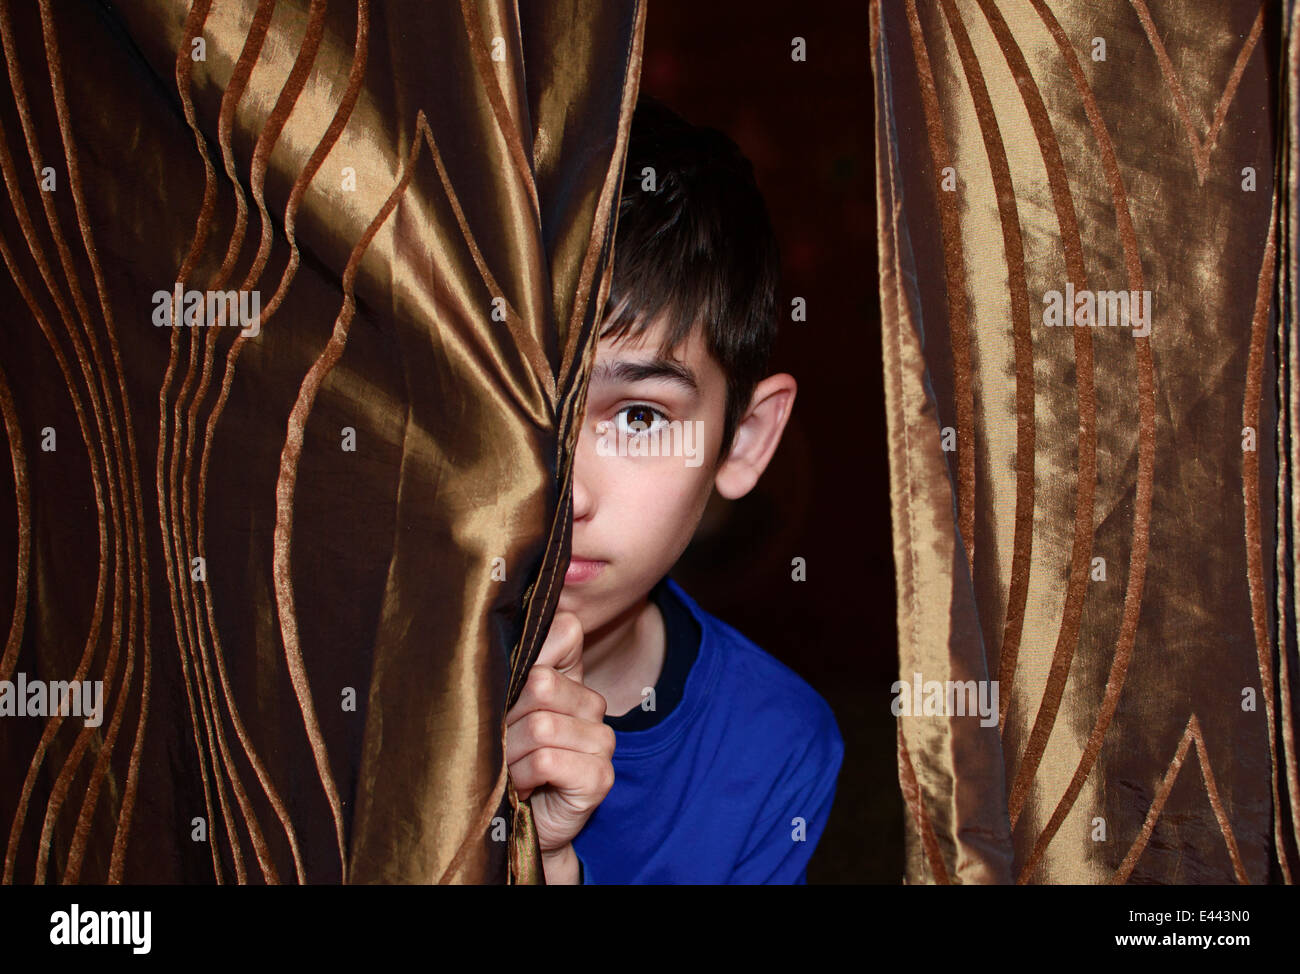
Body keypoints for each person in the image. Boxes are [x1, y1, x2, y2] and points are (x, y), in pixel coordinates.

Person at [505, 94, 844, 884]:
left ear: (744, 439)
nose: (565, 495)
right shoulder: (355, 668)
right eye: (521, 404)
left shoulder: (775, 749)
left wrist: (546, 863)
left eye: (640, 418)